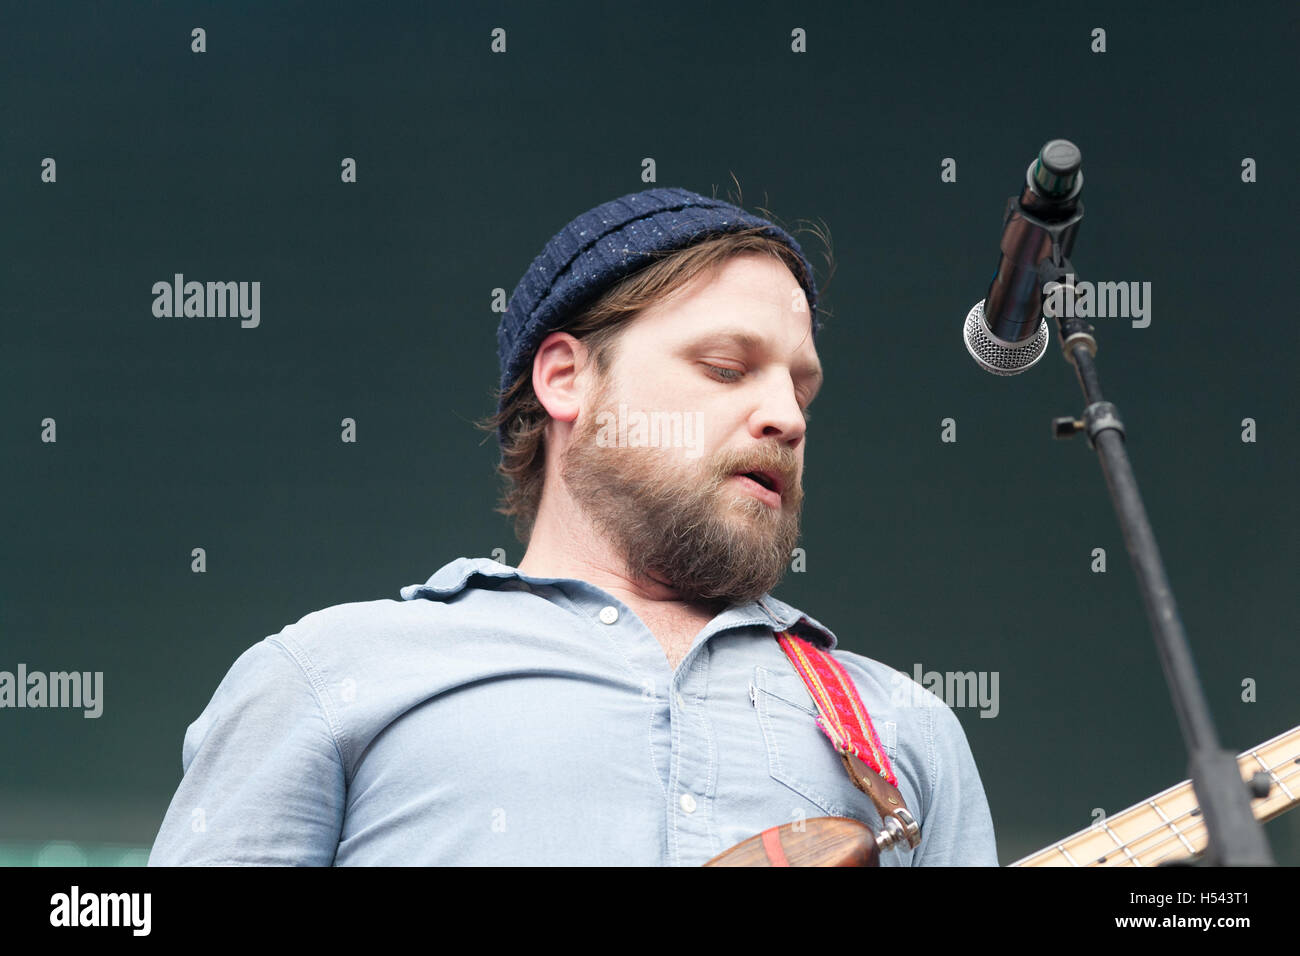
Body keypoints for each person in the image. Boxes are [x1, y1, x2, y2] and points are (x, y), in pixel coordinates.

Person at [148, 186, 998, 866]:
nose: (786, 415)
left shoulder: (903, 728)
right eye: (725, 367)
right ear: (566, 379)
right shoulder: (331, 677)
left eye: (801, 388)